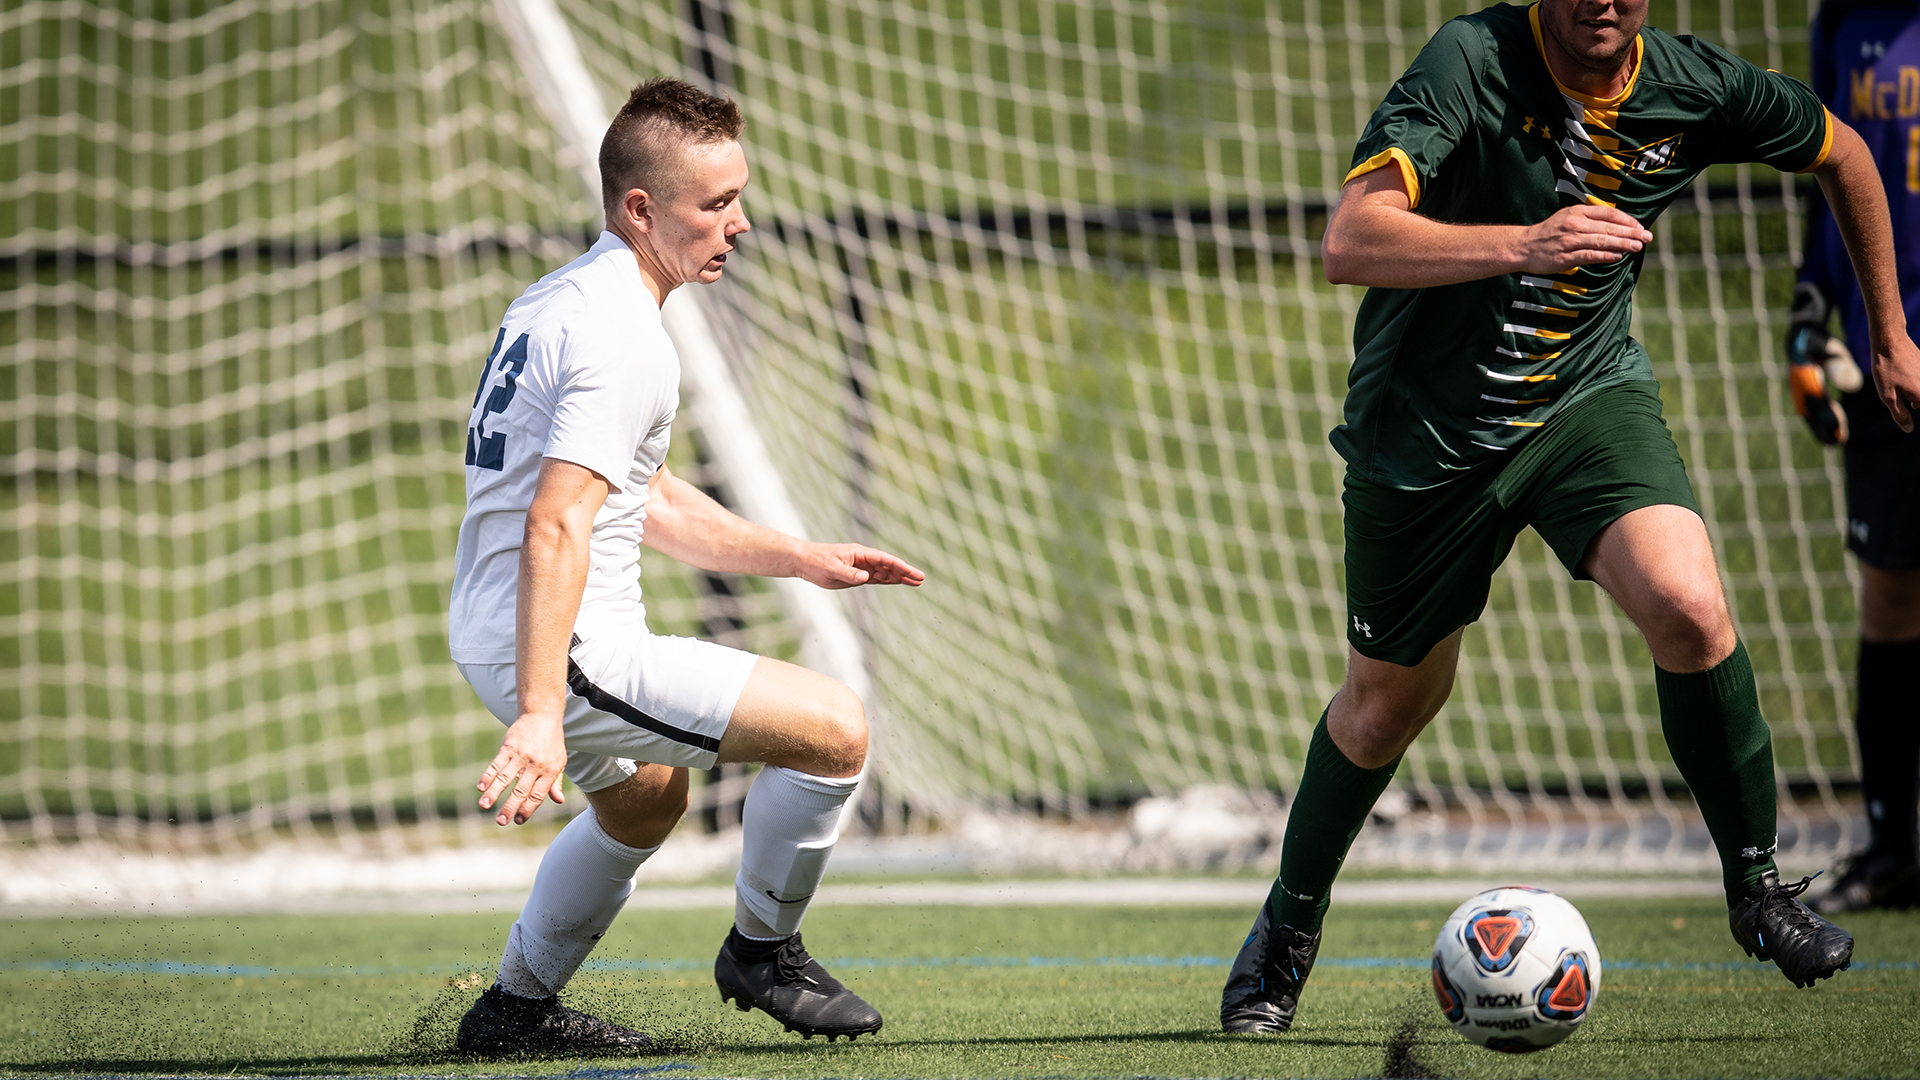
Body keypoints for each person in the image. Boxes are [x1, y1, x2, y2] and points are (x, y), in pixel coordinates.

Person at [1221, 0, 1920, 1035]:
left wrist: (1890, 334)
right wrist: (1527, 243)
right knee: (1386, 706)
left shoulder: (1691, 84)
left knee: (1688, 603)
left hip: (1586, 403)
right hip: (1426, 436)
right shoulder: (1470, 59)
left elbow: (1845, 152)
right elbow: (1350, 238)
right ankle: (1287, 928)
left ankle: (1759, 889)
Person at [447, 77, 925, 1056]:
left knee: (648, 791)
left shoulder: (561, 296)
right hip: (563, 641)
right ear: (640, 208)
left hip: (510, 626)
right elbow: (556, 526)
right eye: (715, 204)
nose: (739, 225)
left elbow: (647, 498)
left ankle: (513, 1012)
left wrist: (799, 556)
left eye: (739, 197)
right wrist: (543, 710)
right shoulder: (622, 334)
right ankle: (764, 951)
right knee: (835, 731)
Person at [1789, 0, 1920, 915]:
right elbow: (1824, 167)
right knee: (1890, 591)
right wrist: (1808, 303)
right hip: (1885, 346)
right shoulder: (1842, 19)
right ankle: (1892, 848)